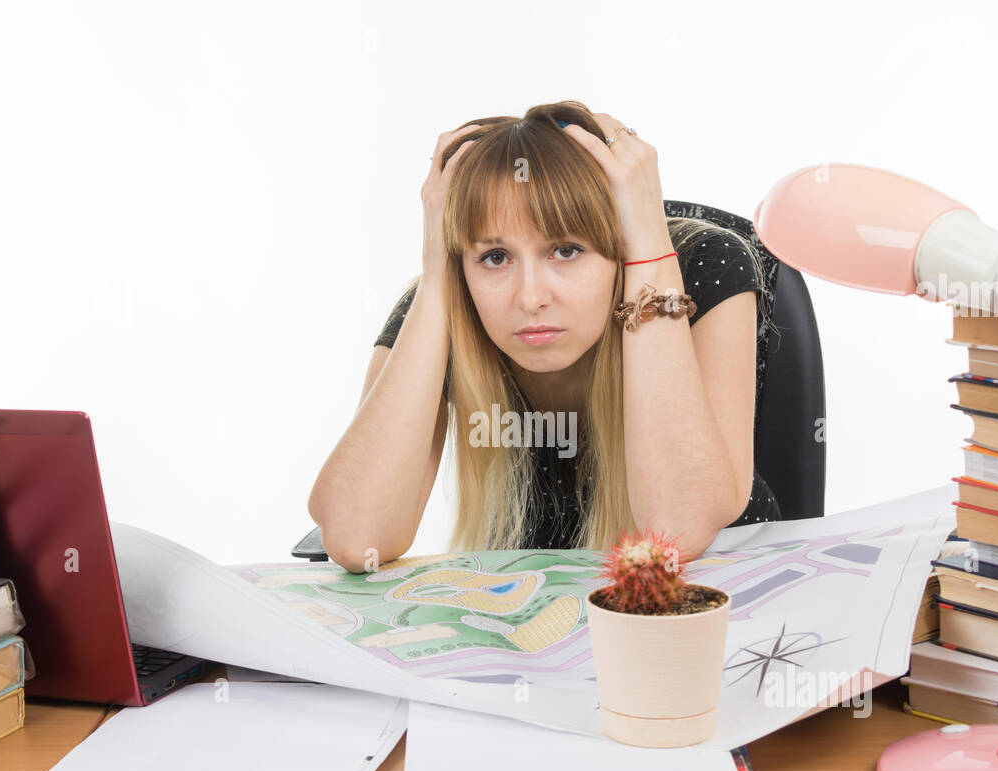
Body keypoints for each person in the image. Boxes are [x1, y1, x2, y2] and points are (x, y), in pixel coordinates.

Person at [309, 100, 782, 573]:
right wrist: (438, 277)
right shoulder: (446, 302)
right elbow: (356, 537)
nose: (530, 297)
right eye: (495, 257)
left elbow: (676, 531)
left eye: (566, 249)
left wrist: (651, 259)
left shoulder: (700, 268)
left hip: (724, 599)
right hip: (531, 622)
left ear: (620, 248)